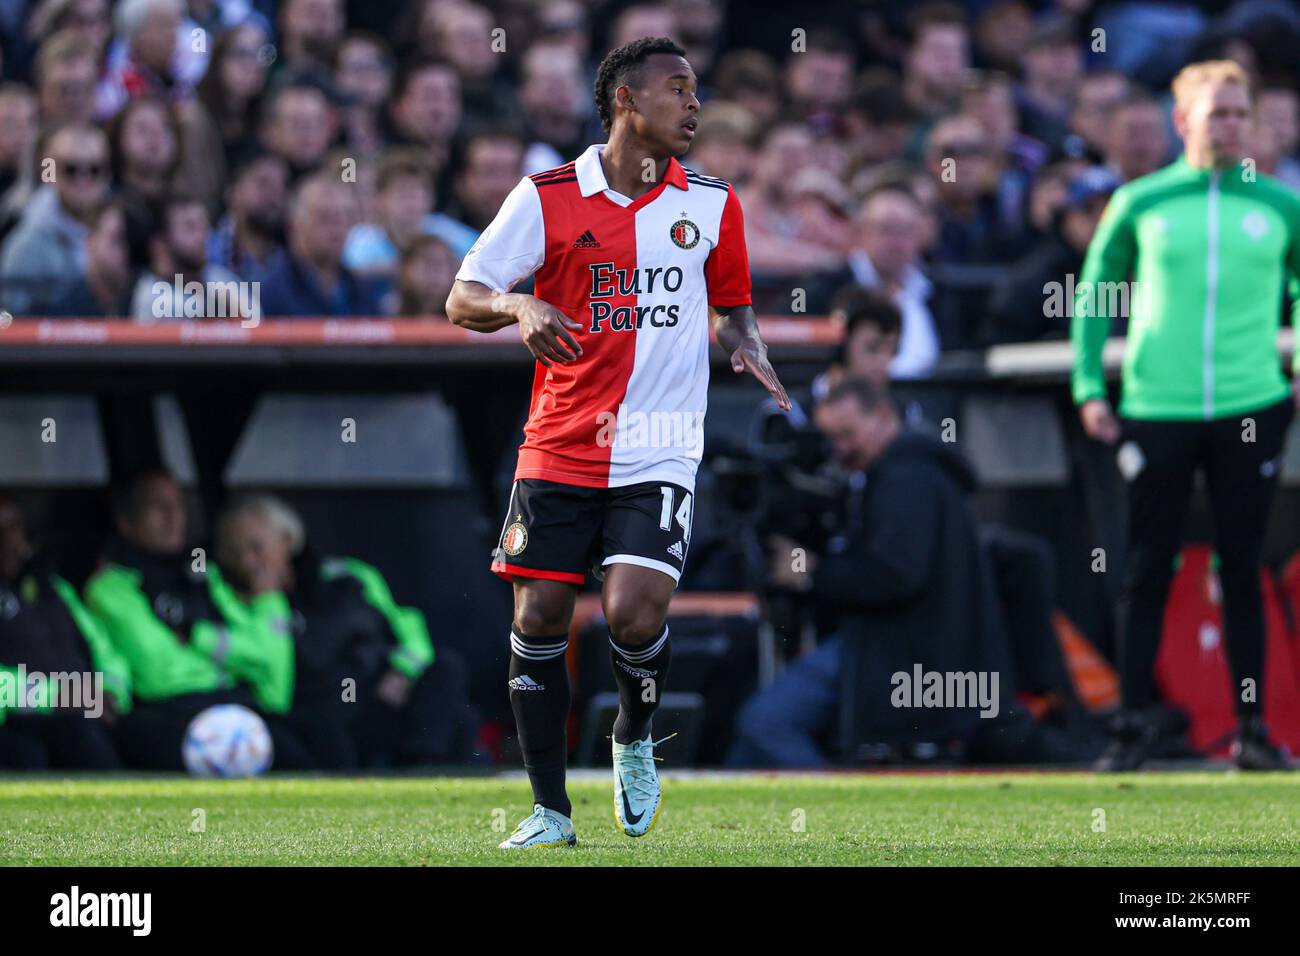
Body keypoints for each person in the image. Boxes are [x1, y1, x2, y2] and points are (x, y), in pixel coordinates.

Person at [446, 36, 789, 849]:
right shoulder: (546, 196)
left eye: (697, 91)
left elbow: (732, 306)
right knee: (541, 612)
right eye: (678, 90)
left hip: (661, 440)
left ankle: (634, 735)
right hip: (561, 440)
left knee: (634, 615)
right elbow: (462, 298)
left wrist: (746, 340)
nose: (694, 106)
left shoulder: (712, 203)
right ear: (627, 101)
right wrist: (520, 308)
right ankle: (549, 812)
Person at [1072, 60, 1300, 771]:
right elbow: (1094, 292)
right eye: (1217, 114)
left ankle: (1253, 729)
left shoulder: (1279, 204)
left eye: (1241, 114)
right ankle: (1133, 728)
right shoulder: (1142, 201)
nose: (1231, 127)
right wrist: (1089, 385)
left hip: (1252, 403)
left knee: (1241, 568)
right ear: (1183, 122)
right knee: (1147, 568)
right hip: (1157, 405)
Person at [727, 376, 1019, 768]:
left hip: (897, 650)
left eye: (848, 434)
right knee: (758, 733)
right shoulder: (921, 472)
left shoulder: (905, 479)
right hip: (910, 651)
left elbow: (895, 577)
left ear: (882, 416)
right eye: (833, 438)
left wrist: (812, 573)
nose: (841, 450)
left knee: (766, 720)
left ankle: (827, 812)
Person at [215, 493, 481, 767]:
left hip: (383, 694)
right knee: (323, 732)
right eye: (235, 552)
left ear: (288, 540)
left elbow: (409, 627)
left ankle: (426, 769)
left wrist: (402, 671)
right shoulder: (242, 604)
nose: (247, 561)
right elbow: (276, 693)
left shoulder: (350, 576)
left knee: (445, 669)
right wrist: (268, 603)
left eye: (255, 547)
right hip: (326, 718)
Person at [83, 470, 310, 770]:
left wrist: (197, 637)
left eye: (178, 506)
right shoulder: (111, 587)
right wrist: (225, 664)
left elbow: (263, 659)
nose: (172, 516)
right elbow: (157, 673)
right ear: (127, 521)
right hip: (171, 712)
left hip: (235, 703)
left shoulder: (204, 575)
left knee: (317, 739)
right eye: (158, 507)